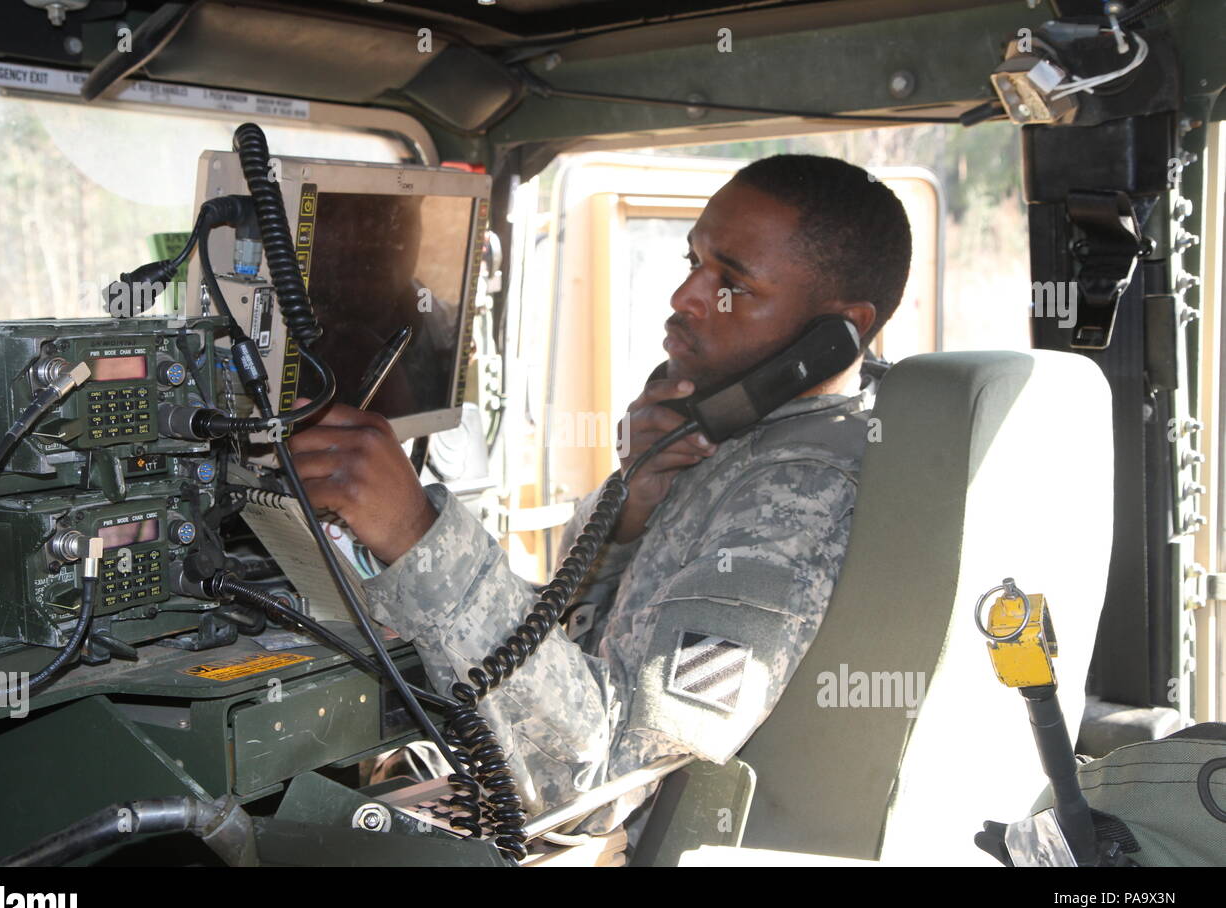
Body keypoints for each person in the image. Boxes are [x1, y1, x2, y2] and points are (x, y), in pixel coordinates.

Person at [286, 154, 913, 838]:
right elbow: (584, 649)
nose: (686, 297)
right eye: (693, 260)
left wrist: (414, 531)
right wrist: (627, 516)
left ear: (837, 334)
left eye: (732, 283)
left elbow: (608, 781)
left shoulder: (803, 493)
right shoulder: (734, 438)